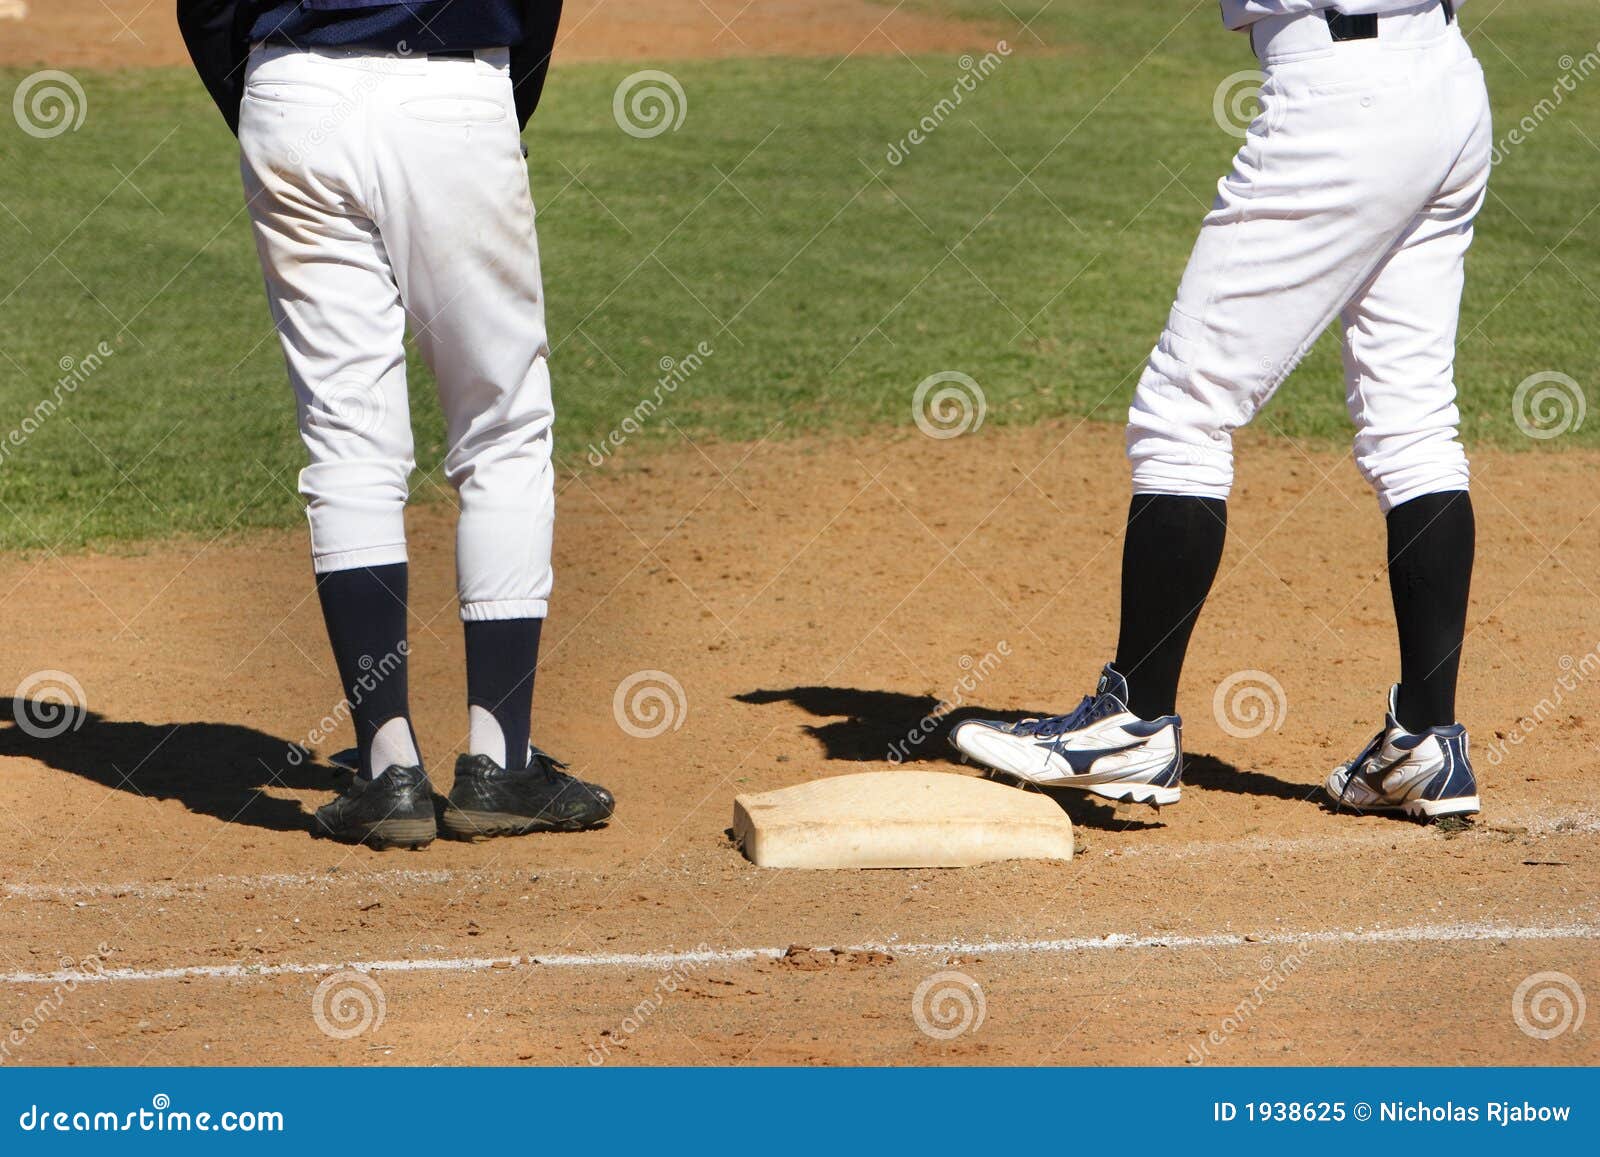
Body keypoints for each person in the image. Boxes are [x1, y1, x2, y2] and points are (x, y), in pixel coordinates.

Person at [952, 1, 1487, 821]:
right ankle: (1424, 739)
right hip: (1448, 82)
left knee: (1183, 410)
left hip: (1342, 97)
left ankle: (1134, 717)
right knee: (1414, 426)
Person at [177, 0, 614, 847]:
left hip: (293, 87)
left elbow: (206, 6)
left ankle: (389, 773)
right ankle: (500, 762)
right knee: (502, 425)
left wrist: (271, 93)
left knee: (345, 432)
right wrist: (494, 99)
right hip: (450, 90)